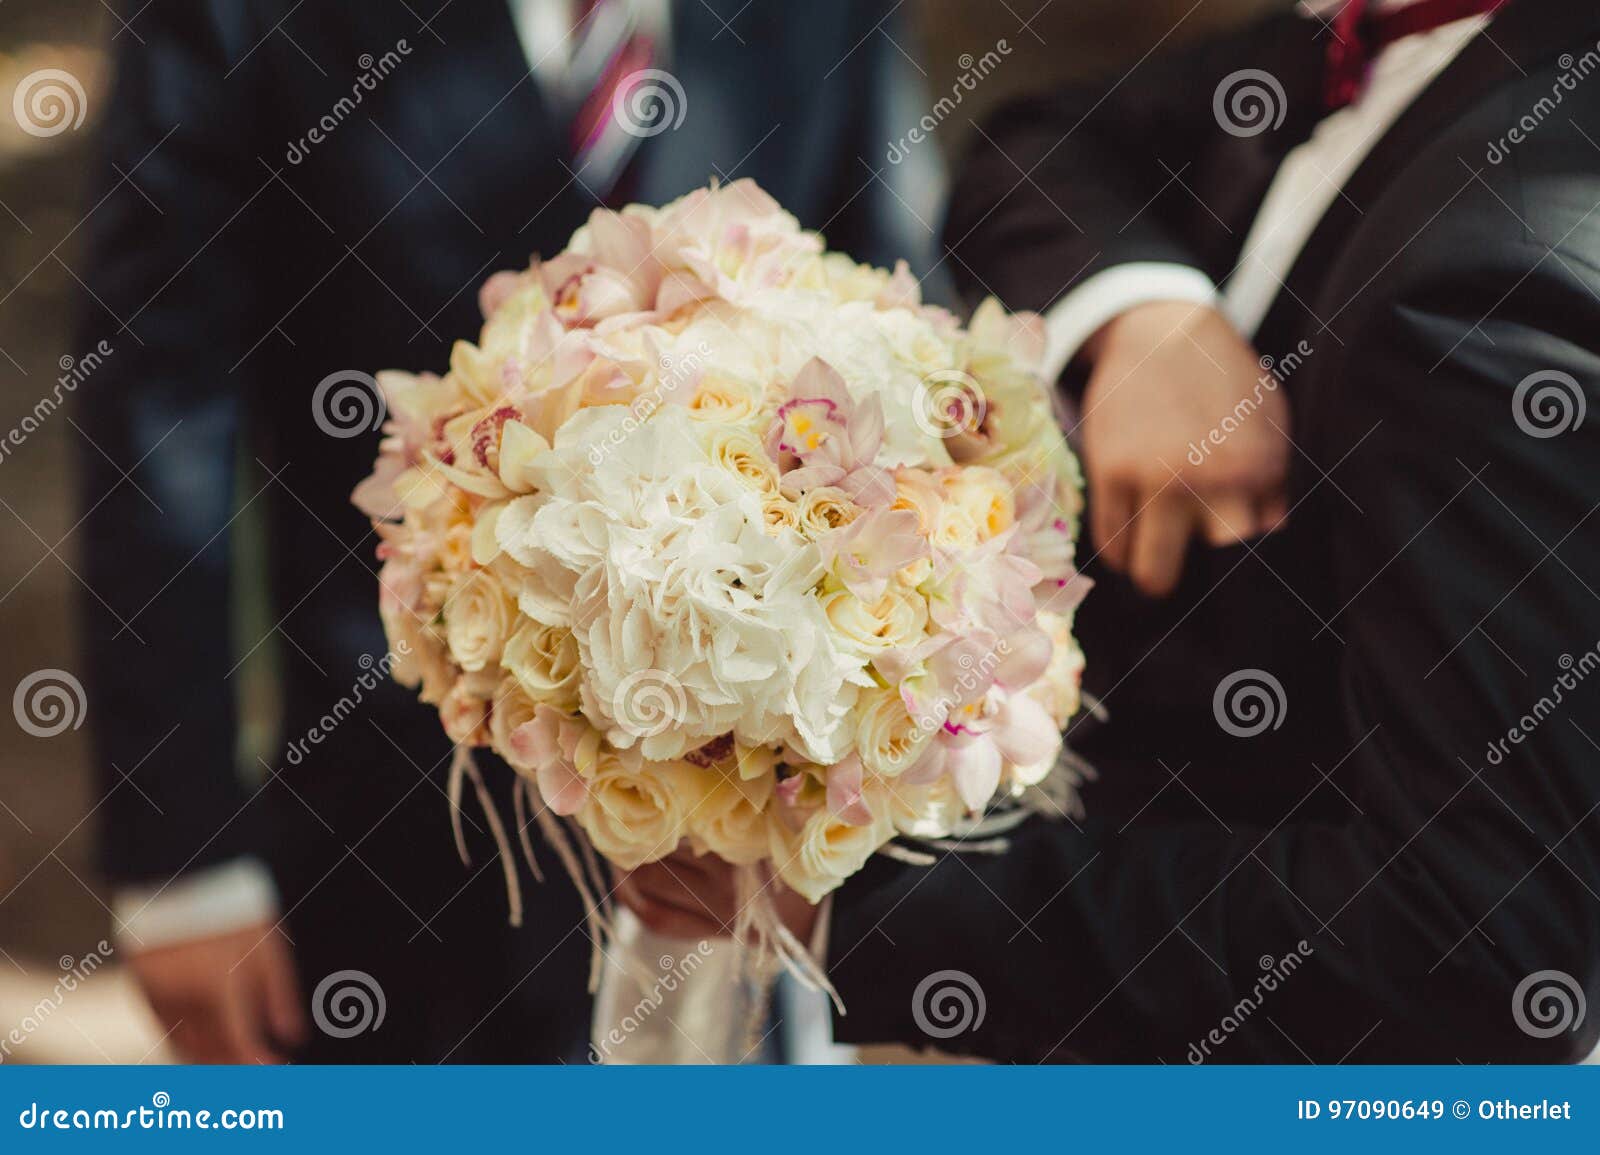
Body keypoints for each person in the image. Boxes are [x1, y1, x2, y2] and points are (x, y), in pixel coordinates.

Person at [618, 0, 1600, 1062]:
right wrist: (1147, 312)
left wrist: (852, 907)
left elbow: (1470, 953)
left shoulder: (1497, 294)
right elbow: (1043, 136)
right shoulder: (1398, 39)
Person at [75, 0, 936, 1063]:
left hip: (745, 849)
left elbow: (899, 329)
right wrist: (184, 861)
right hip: (395, 834)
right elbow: (157, 402)